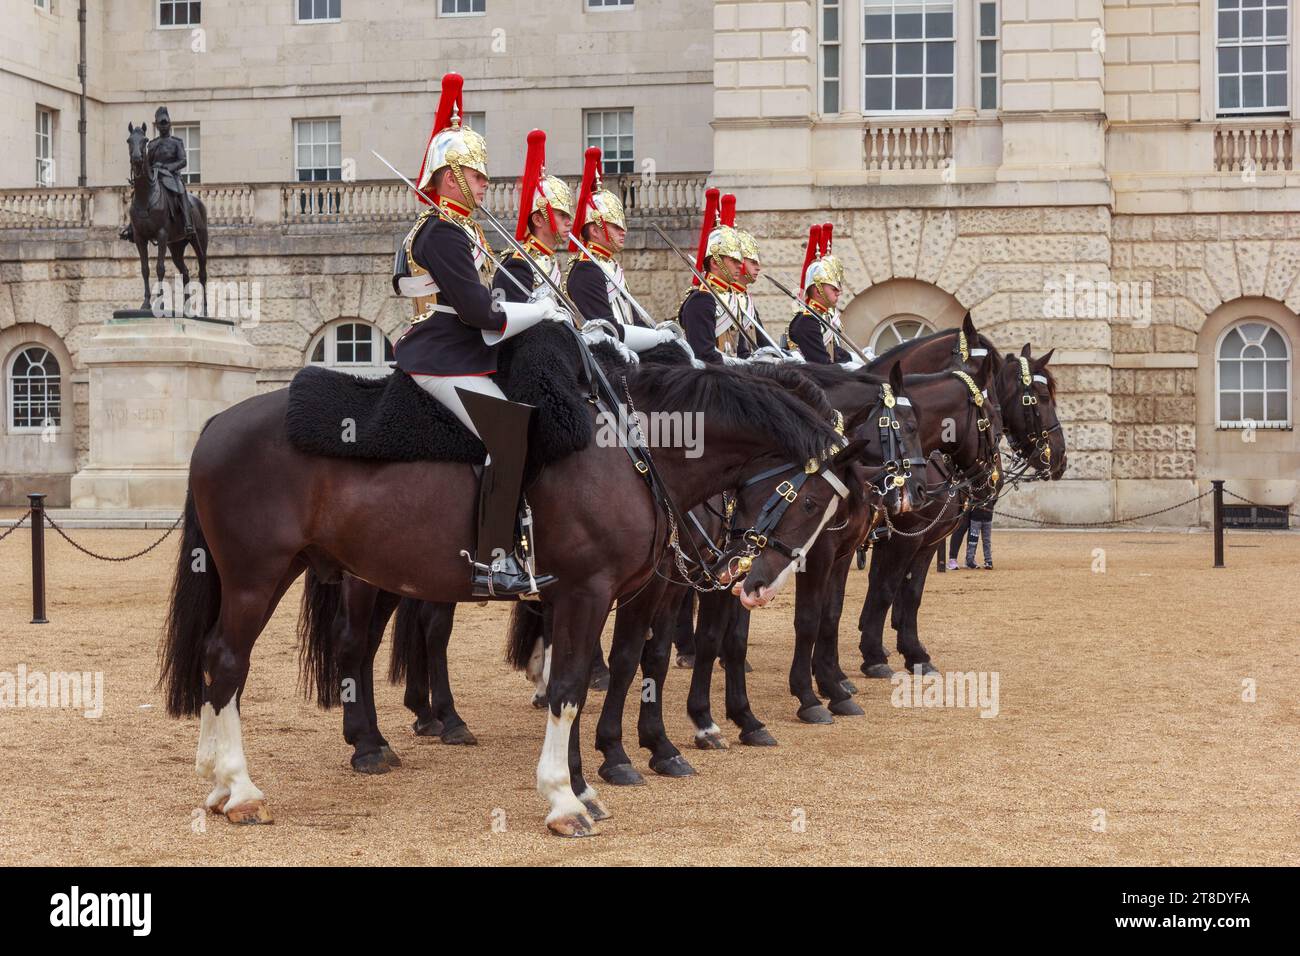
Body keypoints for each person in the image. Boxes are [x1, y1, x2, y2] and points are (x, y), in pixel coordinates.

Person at [390, 73, 569, 598]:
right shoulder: (440, 230)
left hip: (461, 354)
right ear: (450, 177)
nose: (487, 183)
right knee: (510, 433)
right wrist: (539, 311)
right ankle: (494, 559)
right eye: (477, 174)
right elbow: (477, 312)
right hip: (441, 356)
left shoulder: (461, 229)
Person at [564, 146, 677, 354]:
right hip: (607, 360)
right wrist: (657, 338)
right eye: (616, 226)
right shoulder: (586, 271)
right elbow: (607, 329)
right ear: (595, 230)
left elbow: (632, 319)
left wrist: (659, 337)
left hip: (626, 351)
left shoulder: (608, 265)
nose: (623, 231)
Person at [493, 129, 573, 304]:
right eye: (561, 215)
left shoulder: (548, 259)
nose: (569, 222)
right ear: (538, 220)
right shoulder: (518, 264)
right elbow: (518, 324)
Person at [677, 187, 750, 364]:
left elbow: (741, 351)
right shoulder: (701, 300)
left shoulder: (731, 297)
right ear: (715, 262)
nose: (740, 265)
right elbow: (704, 355)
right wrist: (742, 366)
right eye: (734, 260)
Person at [119, 105, 195, 242]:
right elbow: (148, 162)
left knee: (181, 191)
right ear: (157, 125)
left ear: (169, 123)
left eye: (165, 122)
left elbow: (183, 161)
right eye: (161, 123)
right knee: (138, 193)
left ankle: (188, 223)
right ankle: (132, 226)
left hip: (172, 177)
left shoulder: (177, 142)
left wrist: (167, 167)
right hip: (155, 177)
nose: (163, 126)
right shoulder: (152, 144)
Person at [787, 223, 854, 365]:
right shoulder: (807, 323)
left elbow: (836, 353)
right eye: (834, 288)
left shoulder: (822, 317)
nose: (839, 292)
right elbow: (822, 364)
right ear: (818, 291)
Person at [965, 502, 995, 569]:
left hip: (988, 517)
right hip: (976, 517)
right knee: (973, 539)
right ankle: (970, 560)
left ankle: (988, 560)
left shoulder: (992, 493)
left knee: (987, 540)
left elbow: (994, 500)